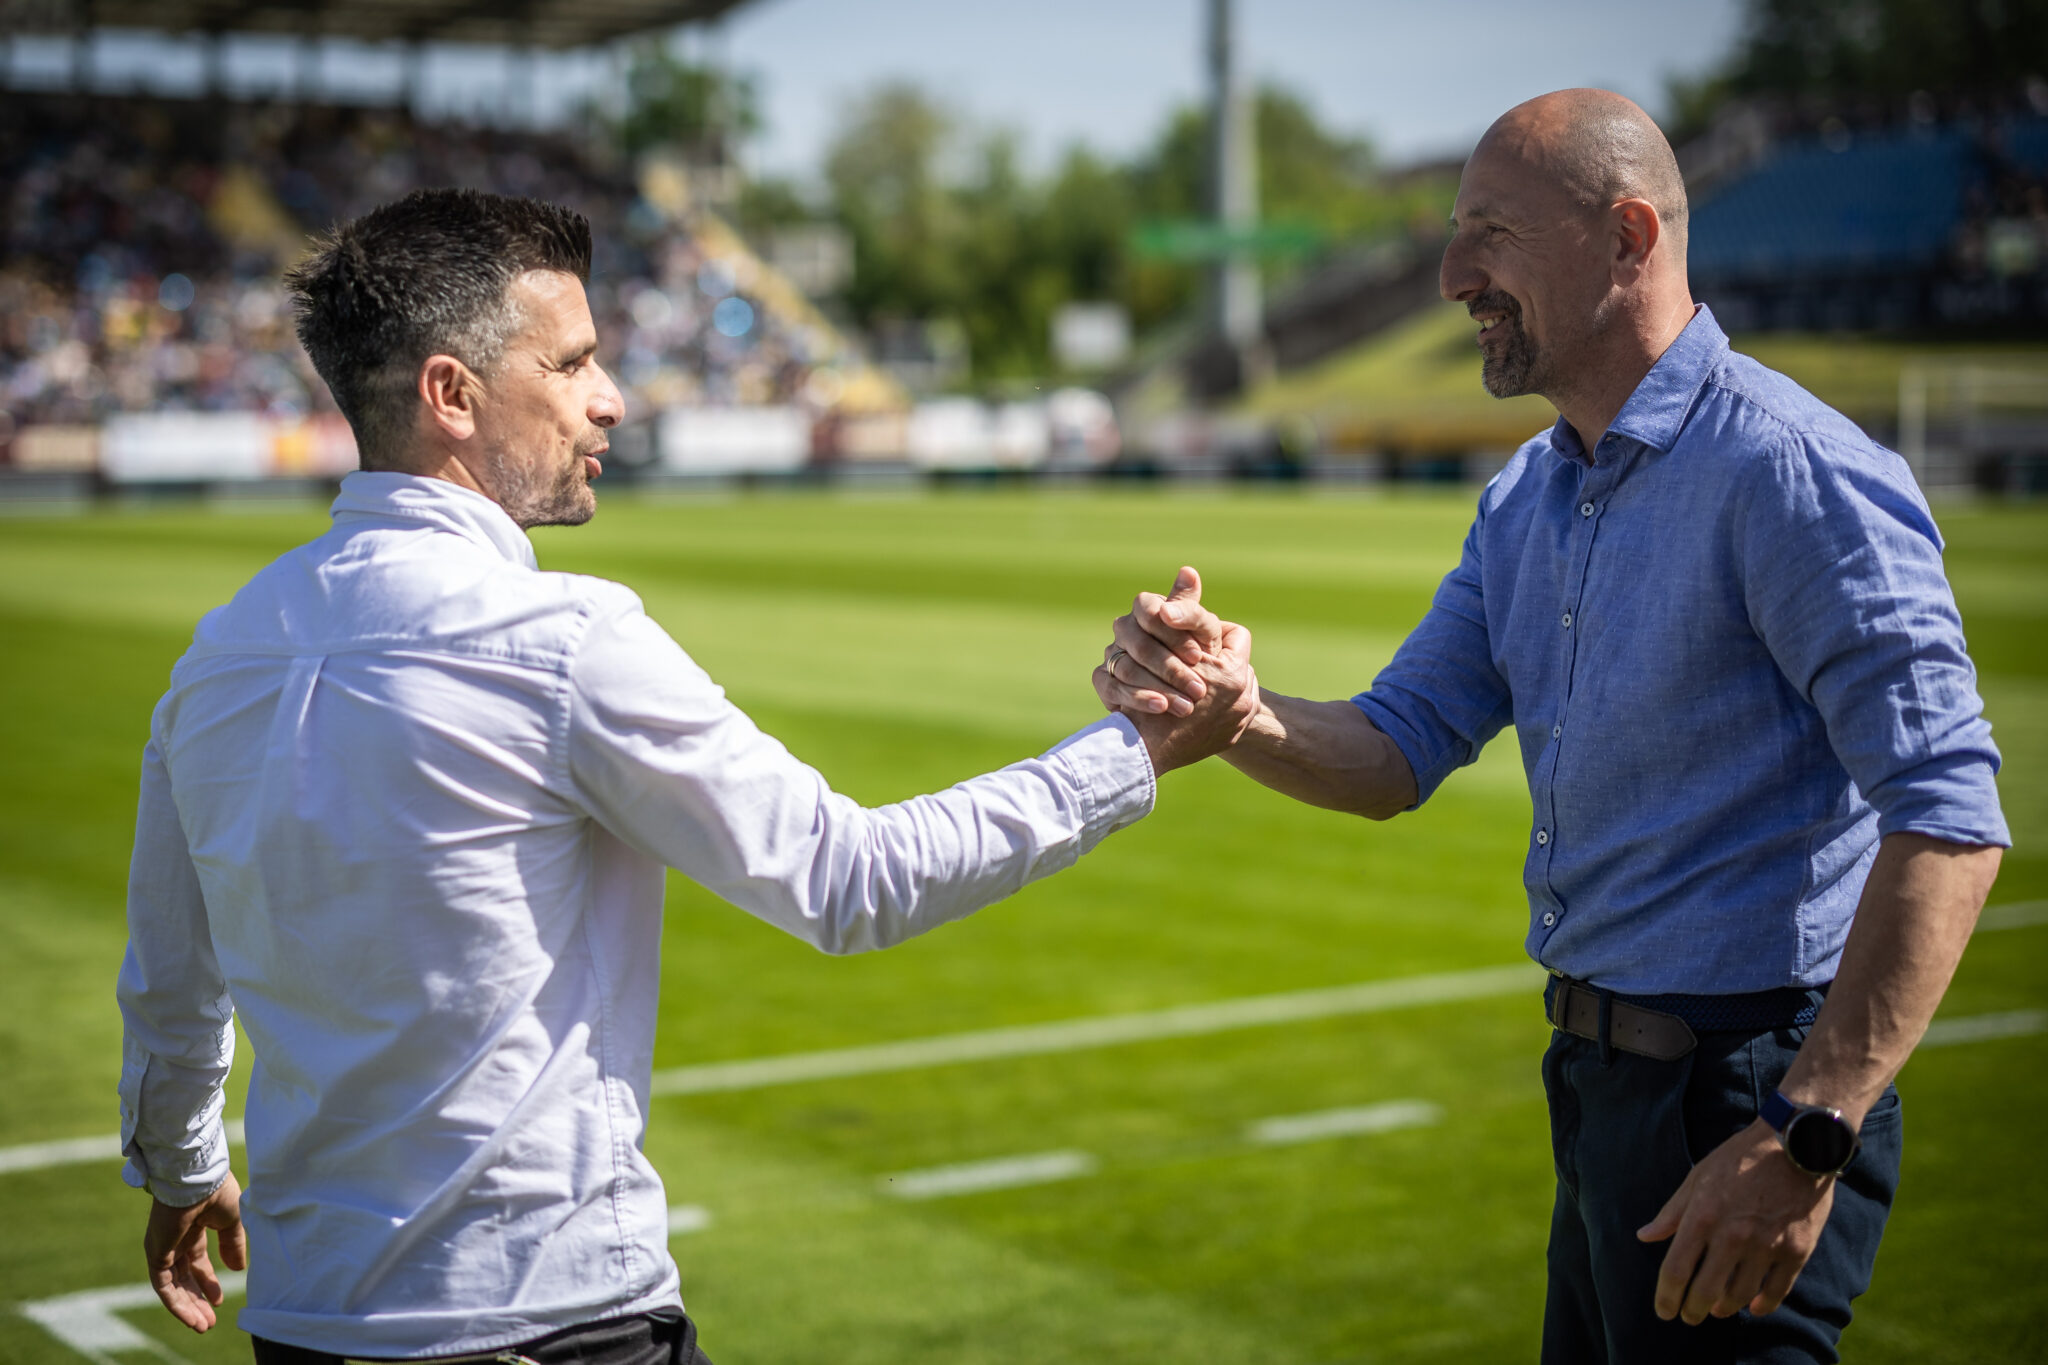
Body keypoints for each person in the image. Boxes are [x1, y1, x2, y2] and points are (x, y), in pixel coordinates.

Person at [116, 188, 1256, 1365]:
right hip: (552, 1323)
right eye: (571, 364)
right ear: (451, 395)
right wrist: (1140, 748)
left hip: (307, 1331)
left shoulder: (219, 654)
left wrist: (184, 1168)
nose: (608, 398)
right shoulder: (560, 639)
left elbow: (170, 984)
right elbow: (849, 880)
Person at [1096, 89, 2007, 1363]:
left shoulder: (1789, 470)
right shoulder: (1529, 493)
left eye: (1489, 234)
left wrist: (1809, 1133)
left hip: (1748, 1092)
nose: (1450, 274)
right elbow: (1395, 749)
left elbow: (1948, 817)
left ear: (1627, 235)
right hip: (1597, 1090)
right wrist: (1231, 713)